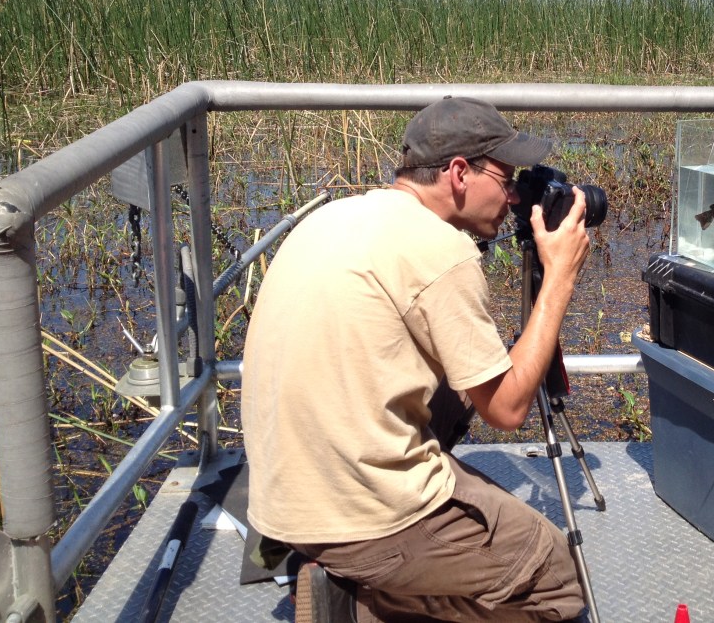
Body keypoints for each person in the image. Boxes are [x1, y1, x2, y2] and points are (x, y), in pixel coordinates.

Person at [241, 95, 593, 622]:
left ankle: (351, 577)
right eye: (506, 180)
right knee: (559, 583)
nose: (517, 197)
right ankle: (361, 605)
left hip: (279, 506)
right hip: (361, 518)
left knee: (462, 378)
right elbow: (509, 409)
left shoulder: (334, 215)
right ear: (458, 174)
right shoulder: (437, 250)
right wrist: (559, 277)